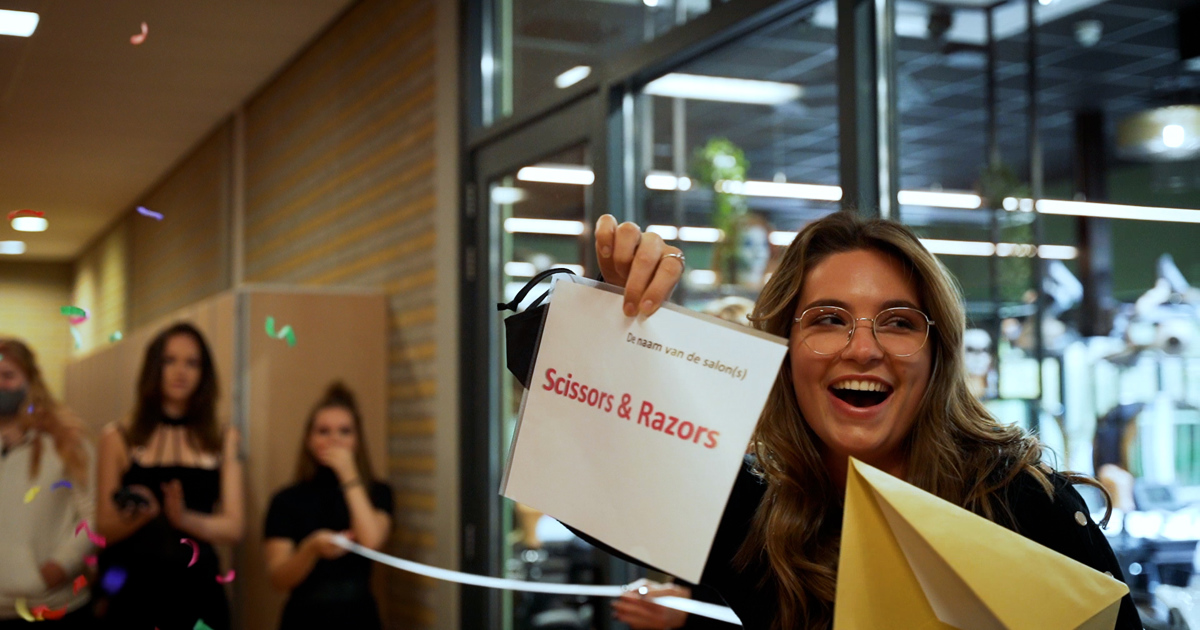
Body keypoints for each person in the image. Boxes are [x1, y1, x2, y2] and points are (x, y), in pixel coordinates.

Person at [516, 211, 1142, 630]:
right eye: (827, 319)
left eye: (898, 321)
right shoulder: (755, 518)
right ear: (782, 351)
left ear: (938, 353)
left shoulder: (1025, 508)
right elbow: (570, 431)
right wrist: (608, 314)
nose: (862, 349)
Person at [93, 323, 243, 630]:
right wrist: (143, 514)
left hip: (198, 589)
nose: (181, 372)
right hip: (134, 590)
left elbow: (234, 527)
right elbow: (103, 528)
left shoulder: (224, 438)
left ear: (204, 373)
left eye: (192, 363)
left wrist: (184, 519)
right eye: (169, 361)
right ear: (153, 367)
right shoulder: (118, 437)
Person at [264, 382, 394, 630]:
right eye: (324, 431)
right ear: (309, 439)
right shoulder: (286, 500)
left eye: (344, 432)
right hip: (304, 617)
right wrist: (310, 550)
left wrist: (348, 474)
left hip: (359, 616)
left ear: (357, 439)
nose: (334, 439)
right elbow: (278, 579)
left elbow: (371, 541)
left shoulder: (378, 493)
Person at [0, 339, 95, 628]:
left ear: (31, 381)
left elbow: (93, 516)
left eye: (8, 375)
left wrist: (60, 566)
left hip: (53, 607)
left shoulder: (65, 440)